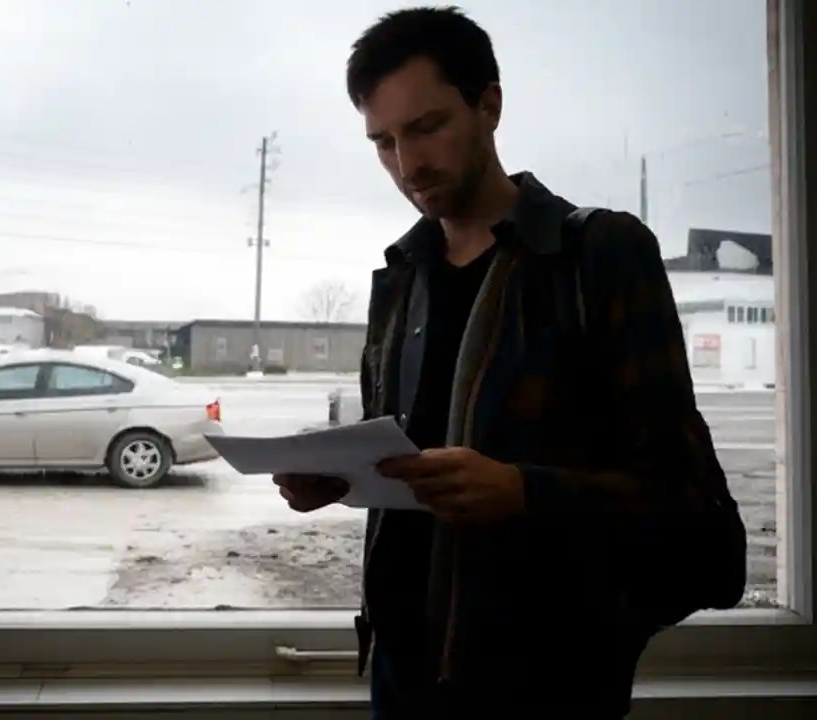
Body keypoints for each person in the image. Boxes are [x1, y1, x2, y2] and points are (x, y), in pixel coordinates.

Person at [274, 6, 746, 718]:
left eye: (427, 127)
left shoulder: (598, 256)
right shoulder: (402, 276)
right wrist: (342, 474)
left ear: (489, 105)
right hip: (400, 676)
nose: (408, 165)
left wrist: (524, 491)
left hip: (548, 686)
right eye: (384, 143)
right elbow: (407, 467)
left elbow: (694, 514)